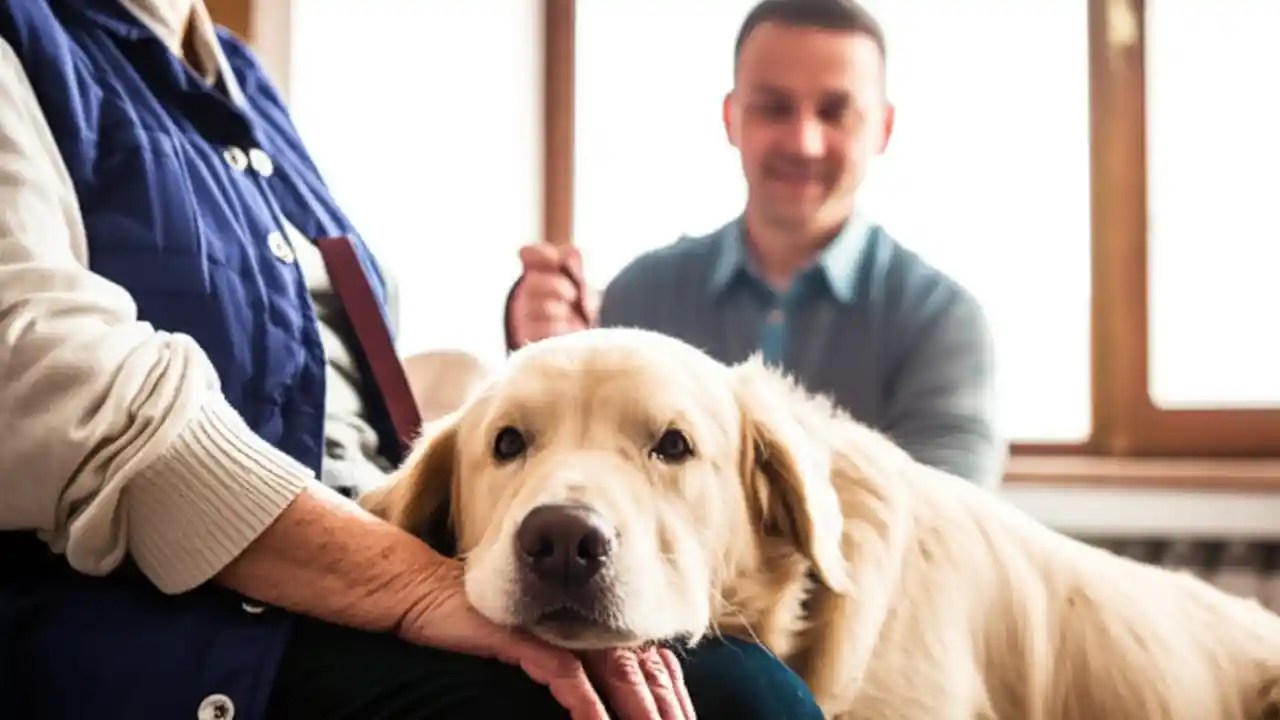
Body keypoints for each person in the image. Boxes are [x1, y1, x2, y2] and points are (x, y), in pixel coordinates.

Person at [0, 1, 826, 718]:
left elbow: (332, 394)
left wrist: (524, 382)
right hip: (173, 624)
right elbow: (43, 374)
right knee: (737, 701)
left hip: (355, 547)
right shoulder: (24, 36)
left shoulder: (240, 81)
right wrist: (410, 585)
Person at [507, 0, 1007, 488]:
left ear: (883, 127)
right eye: (775, 108)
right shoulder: (641, 295)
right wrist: (540, 349)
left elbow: (943, 528)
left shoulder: (943, 322)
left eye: (836, 112)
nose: (804, 142)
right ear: (731, 118)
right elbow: (573, 482)